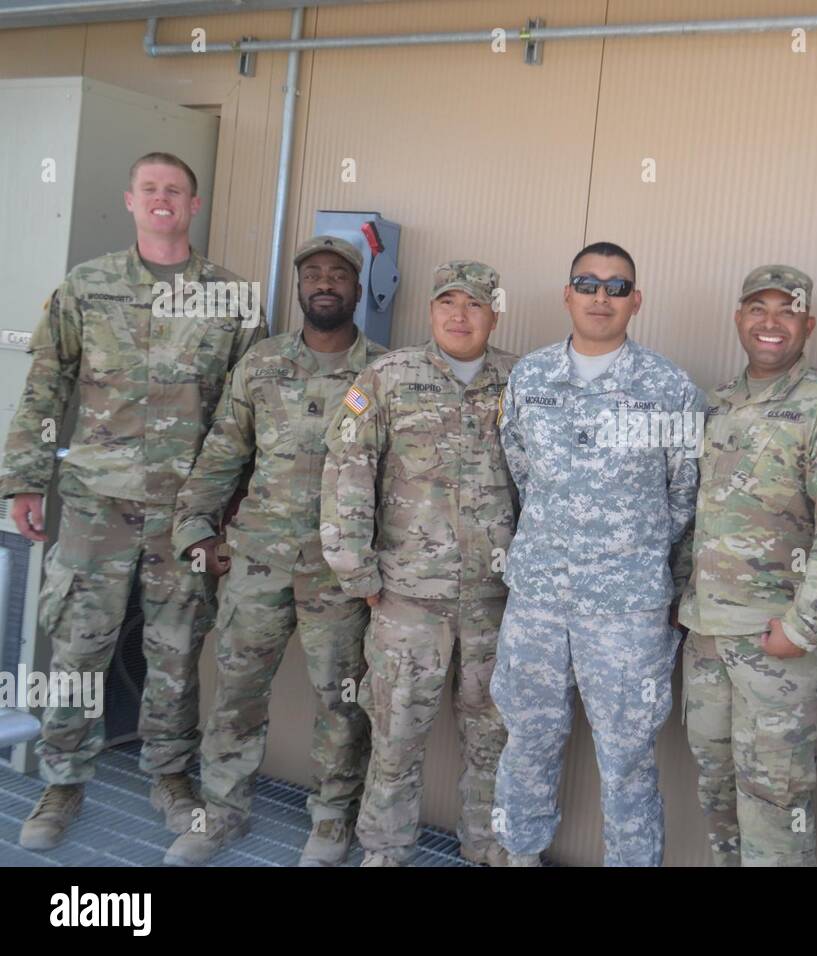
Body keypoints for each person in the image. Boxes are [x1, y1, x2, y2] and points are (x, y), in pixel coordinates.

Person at [3, 152, 266, 850]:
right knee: (77, 651)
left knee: (176, 653)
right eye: (150, 189)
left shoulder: (232, 297)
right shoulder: (85, 288)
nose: (162, 200)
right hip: (95, 507)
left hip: (187, 514)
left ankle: (171, 779)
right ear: (129, 200)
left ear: (194, 204)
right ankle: (62, 785)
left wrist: (234, 508)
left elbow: (253, 414)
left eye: (174, 191)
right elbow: (45, 388)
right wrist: (25, 481)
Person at [163, 235, 385, 866]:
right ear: (298, 286)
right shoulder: (260, 365)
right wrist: (194, 533)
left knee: (341, 700)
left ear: (356, 287)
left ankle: (332, 819)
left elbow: (397, 481)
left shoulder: (383, 374)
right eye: (311, 273)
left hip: (338, 574)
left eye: (337, 274)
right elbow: (220, 458)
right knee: (236, 691)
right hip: (255, 561)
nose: (323, 283)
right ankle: (220, 813)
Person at [491, 241, 703, 866]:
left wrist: (631, 558)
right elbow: (521, 471)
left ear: (636, 300)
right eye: (588, 283)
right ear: (567, 295)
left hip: (627, 609)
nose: (601, 297)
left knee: (628, 756)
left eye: (617, 286)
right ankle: (519, 854)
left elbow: (685, 495)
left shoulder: (669, 388)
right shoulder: (529, 379)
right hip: (537, 599)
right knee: (527, 737)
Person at [321, 260, 518, 867]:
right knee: (396, 735)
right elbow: (347, 470)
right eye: (447, 302)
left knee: (494, 737)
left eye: (474, 304)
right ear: (431, 310)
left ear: (494, 312)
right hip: (407, 597)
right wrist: (357, 572)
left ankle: (489, 845)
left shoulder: (523, 382)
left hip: (497, 600)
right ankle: (386, 849)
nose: (460, 315)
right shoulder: (386, 377)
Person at [679, 264, 817, 865]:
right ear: (739, 319)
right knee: (717, 799)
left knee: (775, 809)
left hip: (778, 648)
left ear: (808, 325)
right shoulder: (717, 405)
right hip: (707, 640)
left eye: (786, 310)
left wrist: (802, 628)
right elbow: (693, 516)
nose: (770, 322)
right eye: (757, 309)